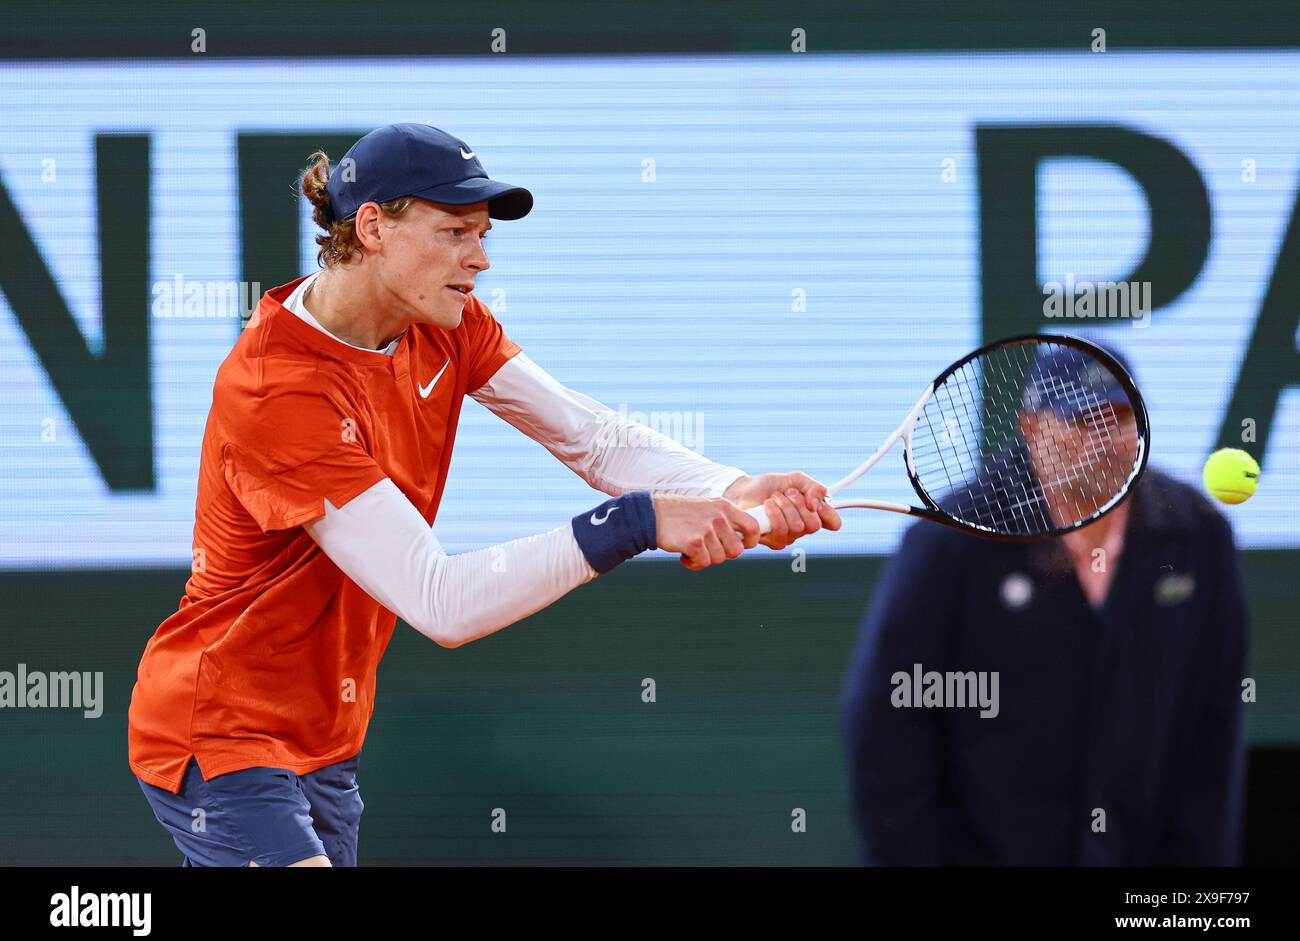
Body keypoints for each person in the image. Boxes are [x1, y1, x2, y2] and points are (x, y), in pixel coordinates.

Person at [129, 123, 841, 867]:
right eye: (454, 232)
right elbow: (443, 602)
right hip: (220, 730)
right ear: (372, 227)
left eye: (482, 234)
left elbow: (592, 440)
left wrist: (728, 487)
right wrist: (638, 521)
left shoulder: (443, 319)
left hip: (324, 740)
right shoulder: (277, 392)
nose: (481, 257)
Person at [840, 345, 1249, 865]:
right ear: (1033, 430)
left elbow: (1212, 730)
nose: (1106, 440)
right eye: (1084, 420)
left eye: (1121, 419)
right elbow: (885, 724)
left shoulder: (1199, 537)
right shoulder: (951, 542)